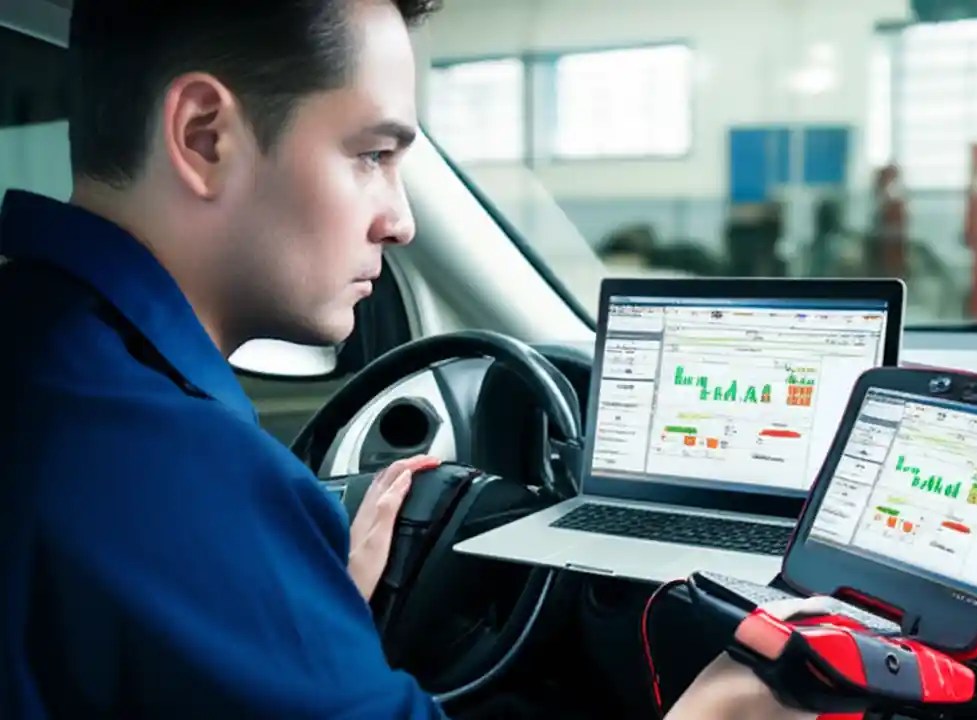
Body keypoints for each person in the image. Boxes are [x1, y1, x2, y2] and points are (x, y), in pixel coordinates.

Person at [0, 1, 819, 718]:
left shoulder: (47, 361)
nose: (400, 221)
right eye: (371, 155)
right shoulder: (173, 470)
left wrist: (300, 610)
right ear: (204, 136)